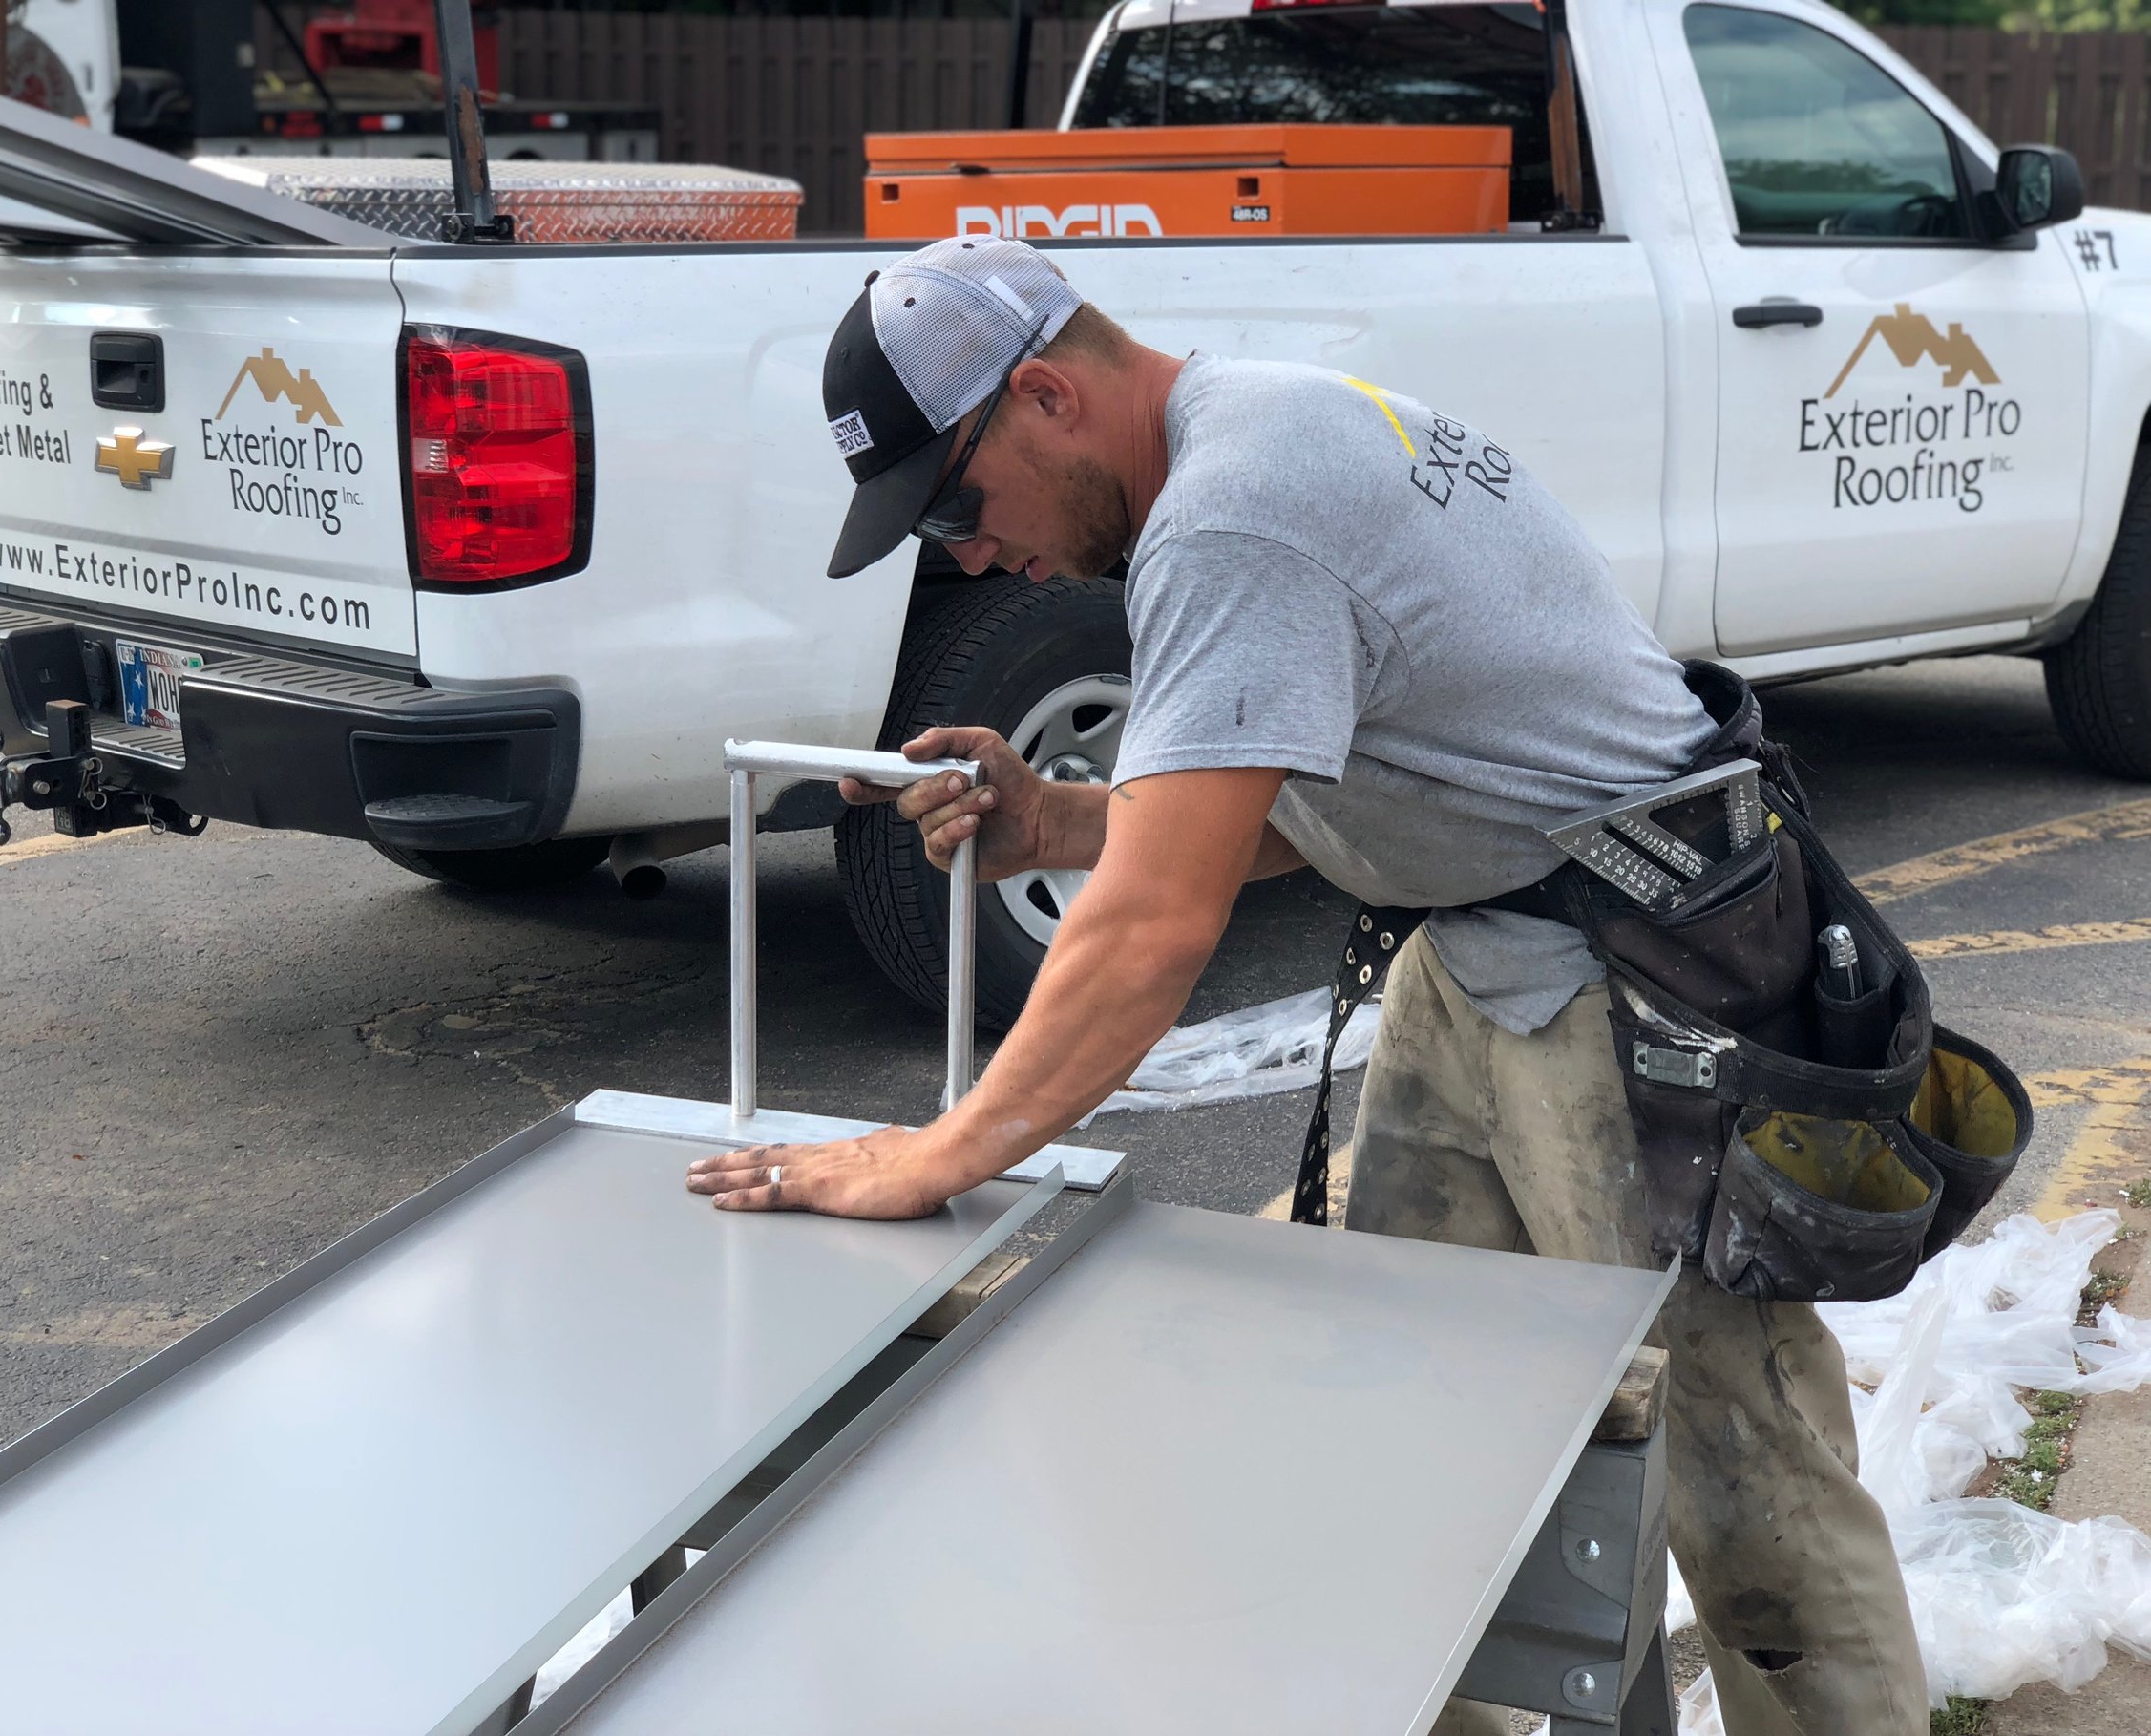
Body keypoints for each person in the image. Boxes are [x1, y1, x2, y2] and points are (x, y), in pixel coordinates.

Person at [684, 236, 1929, 1735]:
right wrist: (1062, 822)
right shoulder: (1252, 430)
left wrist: (938, 1156)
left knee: (1747, 1476)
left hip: (1641, 982)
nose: (970, 554)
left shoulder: (1234, 517)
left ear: (1045, 396)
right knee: (1411, 1434)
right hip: (1488, 950)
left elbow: (1150, 930)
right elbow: (1274, 791)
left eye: (953, 500)